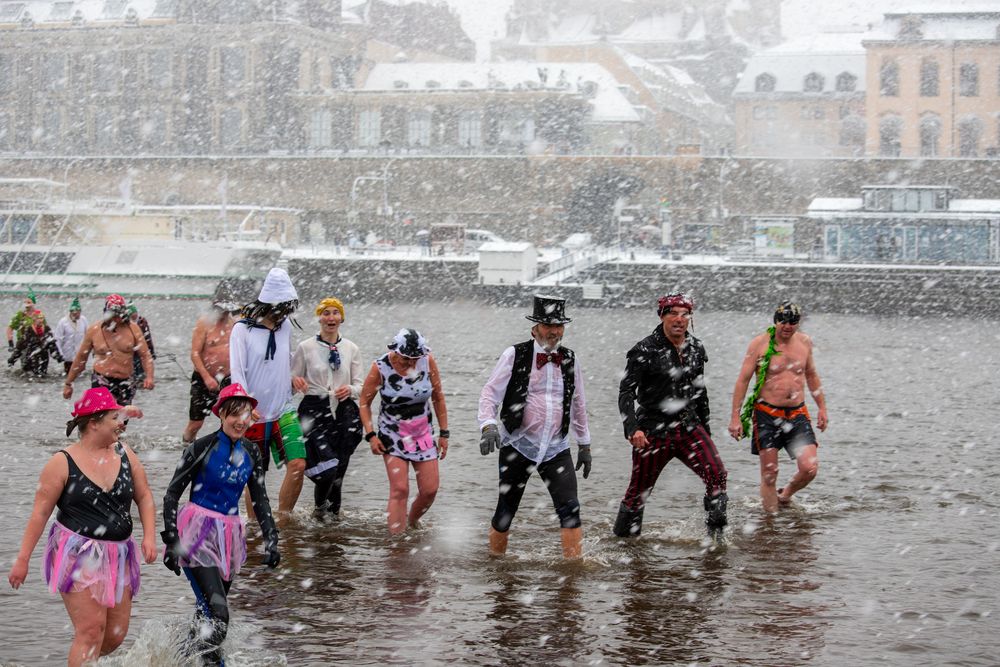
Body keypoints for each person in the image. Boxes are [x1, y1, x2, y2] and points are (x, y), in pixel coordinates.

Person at [7, 388, 156, 667]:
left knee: (114, 635)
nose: (122, 424)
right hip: (77, 552)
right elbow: (40, 513)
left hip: (119, 553)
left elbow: (145, 496)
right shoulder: (61, 463)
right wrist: (23, 560)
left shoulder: (126, 454)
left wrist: (149, 536)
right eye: (115, 417)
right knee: (90, 631)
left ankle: (80, 661)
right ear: (94, 423)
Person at [161, 383, 280, 666]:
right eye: (234, 414)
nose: (241, 421)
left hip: (229, 537)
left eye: (247, 414)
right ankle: (213, 663)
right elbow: (171, 494)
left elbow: (261, 501)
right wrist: (172, 540)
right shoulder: (201, 448)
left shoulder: (251, 452)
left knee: (207, 613)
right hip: (196, 535)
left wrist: (272, 538)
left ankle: (183, 657)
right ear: (221, 415)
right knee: (219, 612)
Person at [478, 295, 593, 559]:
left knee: (570, 508)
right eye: (547, 325)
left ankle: (573, 572)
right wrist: (488, 426)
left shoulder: (570, 359)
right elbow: (489, 394)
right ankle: (496, 567)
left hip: (556, 447)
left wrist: (584, 444)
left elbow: (578, 403)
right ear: (535, 327)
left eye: (558, 326)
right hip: (518, 444)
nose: (554, 331)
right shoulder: (515, 354)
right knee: (506, 511)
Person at [613, 293, 729, 540]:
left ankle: (716, 539)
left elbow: (700, 391)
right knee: (638, 492)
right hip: (653, 430)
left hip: (688, 426)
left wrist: (705, 431)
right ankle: (626, 546)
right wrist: (632, 429)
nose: (679, 319)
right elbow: (626, 392)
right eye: (673, 313)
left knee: (717, 474)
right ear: (662, 316)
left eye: (684, 314)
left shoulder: (696, 347)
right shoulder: (644, 349)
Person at [728, 301, 829, 513]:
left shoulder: (804, 342)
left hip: (797, 413)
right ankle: (769, 524)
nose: (787, 326)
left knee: (810, 468)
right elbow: (743, 380)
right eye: (783, 321)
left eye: (792, 322)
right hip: (767, 414)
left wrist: (822, 408)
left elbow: (811, 374)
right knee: (769, 473)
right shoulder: (760, 344)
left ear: (798, 324)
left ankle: (786, 494)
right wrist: (735, 417)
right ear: (775, 321)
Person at [229, 268, 308, 515]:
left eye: (288, 309)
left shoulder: (286, 328)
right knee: (255, 474)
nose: (286, 314)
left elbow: (286, 361)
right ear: (269, 305)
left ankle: (283, 520)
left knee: (298, 464)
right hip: (253, 410)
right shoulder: (242, 330)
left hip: (283, 406)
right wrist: (244, 406)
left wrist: (294, 378)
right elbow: (237, 371)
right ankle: (255, 527)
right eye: (283, 308)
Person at [358, 328, 449, 534]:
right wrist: (371, 435)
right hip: (392, 434)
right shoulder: (380, 367)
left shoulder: (427, 361)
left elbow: (438, 397)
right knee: (400, 489)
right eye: (407, 358)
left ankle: (411, 522)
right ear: (396, 351)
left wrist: (444, 433)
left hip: (422, 433)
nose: (411, 363)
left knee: (429, 490)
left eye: (416, 358)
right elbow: (364, 402)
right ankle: (396, 543)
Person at [291, 297, 364, 518]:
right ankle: (319, 510)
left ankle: (331, 523)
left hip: (344, 411)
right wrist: (295, 382)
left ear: (341, 317)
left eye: (335, 313)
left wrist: (350, 389)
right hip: (314, 408)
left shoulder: (351, 348)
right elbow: (292, 379)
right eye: (326, 313)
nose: (330, 317)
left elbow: (361, 385)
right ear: (319, 318)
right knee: (326, 469)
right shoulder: (306, 347)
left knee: (338, 471)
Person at [63, 294, 155, 407]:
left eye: (119, 315)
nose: (117, 319)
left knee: (121, 421)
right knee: (101, 419)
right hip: (101, 380)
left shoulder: (133, 329)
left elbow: (145, 355)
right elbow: (81, 359)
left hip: (126, 381)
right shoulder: (94, 330)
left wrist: (149, 377)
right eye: (114, 316)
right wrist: (69, 383)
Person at [182, 300, 236, 443]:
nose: (224, 315)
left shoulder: (235, 323)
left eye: (227, 312)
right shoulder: (204, 323)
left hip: (228, 379)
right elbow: (194, 354)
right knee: (196, 423)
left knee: (230, 419)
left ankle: (227, 448)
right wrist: (207, 378)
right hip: (203, 378)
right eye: (221, 311)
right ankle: (187, 446)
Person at [8, 308, 64, 376]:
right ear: (34, 319)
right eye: (38, 318)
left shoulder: (47, 329)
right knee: (32, 375)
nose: (40, 320)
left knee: (43, 375)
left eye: (42, 318)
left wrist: (57, 356)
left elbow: (51, 344)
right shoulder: (29, 329)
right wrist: (13, 359)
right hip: (31, 356)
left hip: (43, 356)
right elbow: (21, 345)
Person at [53, 298, 89, 375]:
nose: (79, 315)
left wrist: (89, 350)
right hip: (68, 355)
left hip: (80, 355)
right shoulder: (63, 322)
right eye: (77, 313)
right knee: (69, 374)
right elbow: (58, 338)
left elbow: (88, 335)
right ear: (73, 312)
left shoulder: (83, 320)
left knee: (80, 375)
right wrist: (60, 353)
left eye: (80, 312)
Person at [128, 303, 155, 385]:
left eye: (135, 313)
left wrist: (151, 352)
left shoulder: (142, 322)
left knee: (140, 372)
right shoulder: (126, 324)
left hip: (141, 351)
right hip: (132, 353)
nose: (134, 315)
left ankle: (141, 380)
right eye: (132, 314)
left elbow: (148, 337)